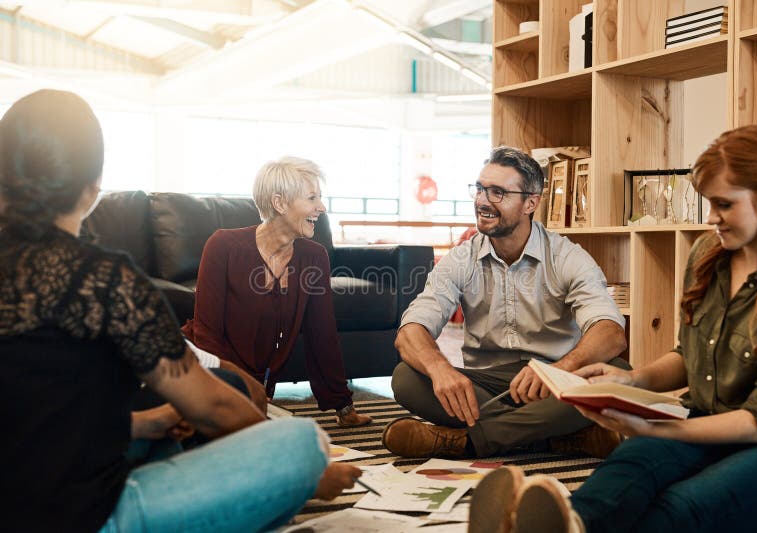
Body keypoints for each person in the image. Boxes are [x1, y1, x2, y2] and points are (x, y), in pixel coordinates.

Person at [0, 89, 361, 533]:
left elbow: (35, 416)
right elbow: (210, 404)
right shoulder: (107, 281)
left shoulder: (309, 255)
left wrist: (141, 424)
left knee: (171, 428)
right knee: (302, 443)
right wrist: (313, 473)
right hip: (83, 516)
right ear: (93, 187)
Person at [468, 125, 757, 533]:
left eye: (724, 205)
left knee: (680, 506)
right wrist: (631, 378)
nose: (711, 217)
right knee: (624, 472)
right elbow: (688, 354)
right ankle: (567, 525)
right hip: (704, 418)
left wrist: (661, 426)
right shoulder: (707, 256)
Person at [384, 146, 628, 459]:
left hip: (554, 383)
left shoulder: (568, 257)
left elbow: (610, 332)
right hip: (485, 386)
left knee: (617, 372)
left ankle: (466, 442)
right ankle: (553, 437)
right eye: (480, 189)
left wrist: (561, 369)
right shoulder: (461, 259)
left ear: (530, 203)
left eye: (498, 192)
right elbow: (411, 330)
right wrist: (439, 368)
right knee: (406, 377)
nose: (482, 201)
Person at [181, 156, 371, 427]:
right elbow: (206, 334)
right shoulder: (223, 245)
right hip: (201, 373)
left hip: (256, 388)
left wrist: (344, 408)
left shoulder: (314, 256)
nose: (321, 207)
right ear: (280, 203)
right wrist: (230, 389)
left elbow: (322, 335)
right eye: (312, 198)